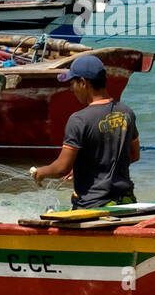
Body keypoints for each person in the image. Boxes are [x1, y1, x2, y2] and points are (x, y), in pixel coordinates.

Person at [29, 55, 140, 208]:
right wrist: (87, 169)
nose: (72, 89)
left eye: (72, 83)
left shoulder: (79, 120)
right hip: (126, 200)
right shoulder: (127, 113)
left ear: (83, 83)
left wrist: (41, 172)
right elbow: (134, 155)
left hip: (93, 205)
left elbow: (61, 168)